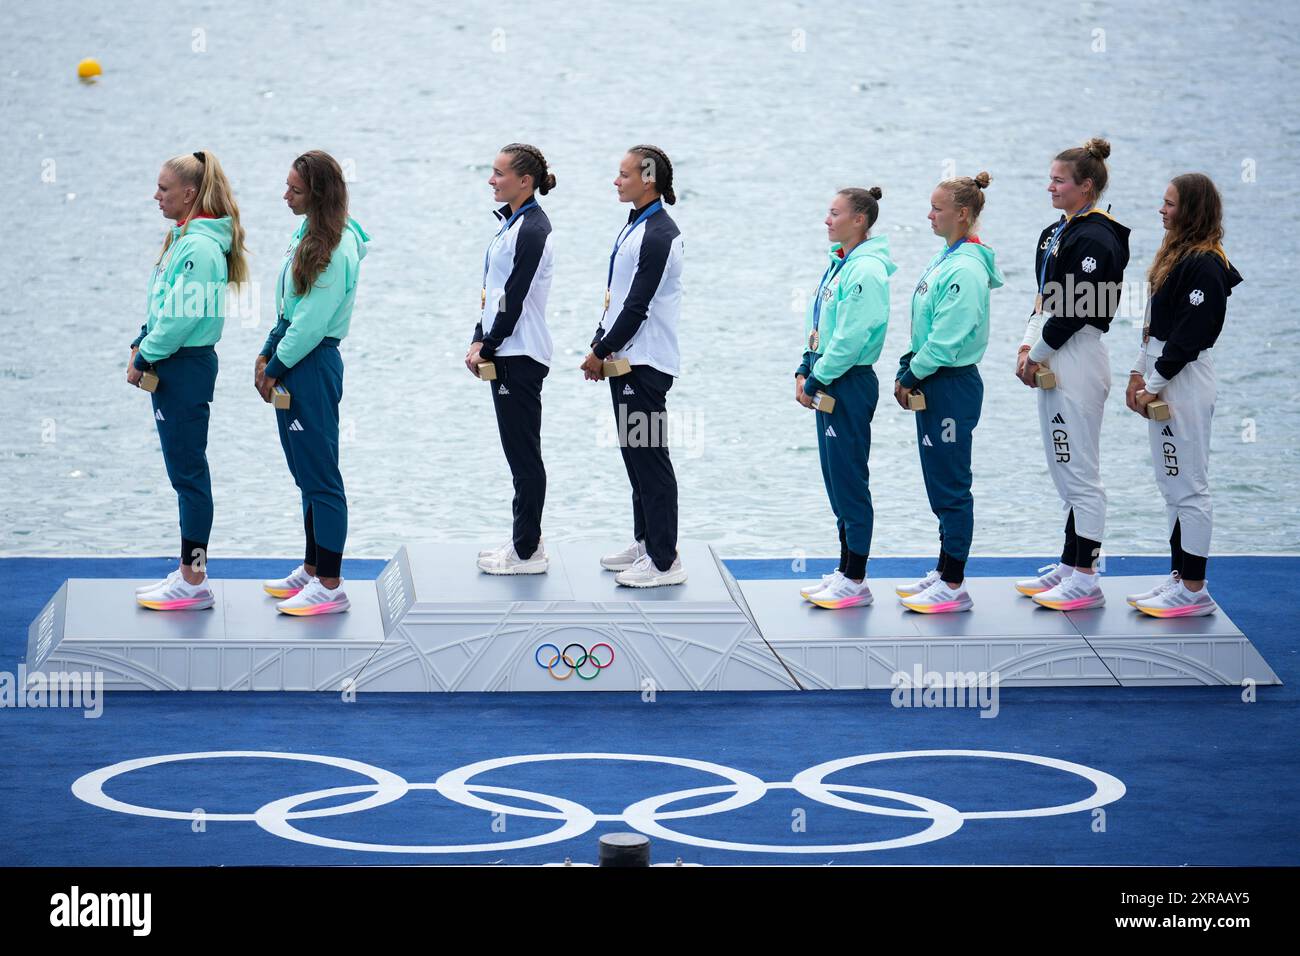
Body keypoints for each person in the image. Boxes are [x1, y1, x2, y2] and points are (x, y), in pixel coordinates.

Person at [1014, 137, 1130, 610]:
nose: (1050, 187)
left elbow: (1077, 309)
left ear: (1086, 186)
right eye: (1050, 179)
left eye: (1059, 181)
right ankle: (1068, 563)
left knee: (1081, 472)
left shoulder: (1099, 237)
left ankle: (1088, 575)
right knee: (1064, 469)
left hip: (1077, 355)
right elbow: (1044, 299)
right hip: (1050, 351)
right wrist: (1027, 343)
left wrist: (1038, 353)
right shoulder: (1053, 232)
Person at [130, 150, 247, 611]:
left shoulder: (198, 248)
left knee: (190, 476)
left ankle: (194, 579)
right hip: (174, 363)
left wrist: (146, 354)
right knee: (185, 474)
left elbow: (182, 318)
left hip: (185, 366)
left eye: (163, 188)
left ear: (189, 193)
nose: (156, 195)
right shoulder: (183, 239)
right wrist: (142, 338)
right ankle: (189, 573)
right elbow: (163, 305)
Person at [256, 150, 370, 615]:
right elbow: (288, 308)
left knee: (322, 478)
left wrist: (275, 366)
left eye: (295, 190)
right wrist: (265, 351)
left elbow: (310, 323)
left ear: (319, 194)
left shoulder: (337, 248)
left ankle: (331, 583)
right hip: (292, 359)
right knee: (305, 474)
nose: (285, 195)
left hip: (312, 364)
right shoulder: (305, 233)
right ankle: (311, 566)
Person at [1125, 173, 1242, 617]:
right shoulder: (1175, 254)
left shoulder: (1206, 264)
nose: (1162, 209)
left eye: (1170, 204)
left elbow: (1190, 337)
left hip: (1184, 380)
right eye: (1163, 202)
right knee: (1171, 484)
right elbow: (1156, 327)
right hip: (1162, 372)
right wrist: (1138, 372)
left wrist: (1153, 384)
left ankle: (1194, 589)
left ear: (1192, 211)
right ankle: (1179, 576)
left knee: (1189, 486)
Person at [894, 172, 1004, 613]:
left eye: (937, 208)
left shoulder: (966, 267)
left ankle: (955, 582)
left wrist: (912, 373)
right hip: (933, 378)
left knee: (953, 484)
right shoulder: (945, 256)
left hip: (950, 384)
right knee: (938, 482)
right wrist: (909, 362)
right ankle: (943, 569)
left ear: (962, 214)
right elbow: (926, 325)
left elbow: (948, 336)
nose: (929, 214)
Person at [581, 144, 686, 587]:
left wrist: (601, 351)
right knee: (634, 458)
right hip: (624, 360)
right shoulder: (635, 227)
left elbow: (638, 306)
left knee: (650, 459)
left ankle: (664, 561)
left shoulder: (658, 233)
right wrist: (599, 344)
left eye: (624, 174)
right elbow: (618, 297)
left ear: (648, 179)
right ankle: (645, 542)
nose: (616, 180)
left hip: (644, 364)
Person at [795, 186, 897, 609]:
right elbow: (823, 325)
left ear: (859, 220)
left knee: (851, 481)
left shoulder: (866, 271)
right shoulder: (840, 263)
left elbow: (852, 338)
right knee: (835, 479)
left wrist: (817, 379)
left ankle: (857, 577)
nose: (826, 220)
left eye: (834, 213)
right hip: (828, 377)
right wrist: (805, 365)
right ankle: (844, 567)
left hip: (848, 382)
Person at [467, 143, 557, 575]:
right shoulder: (510, 224)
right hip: (505, 347)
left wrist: (489, 343)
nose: (491, 180)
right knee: (516, 453)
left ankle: (527, 552)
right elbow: (493, 292)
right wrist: (478, 336)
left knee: (523, 454)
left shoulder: (533, 228)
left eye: (499, 173)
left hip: (520, 353)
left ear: (525, 181)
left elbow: (516, 295)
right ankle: (525, 537)